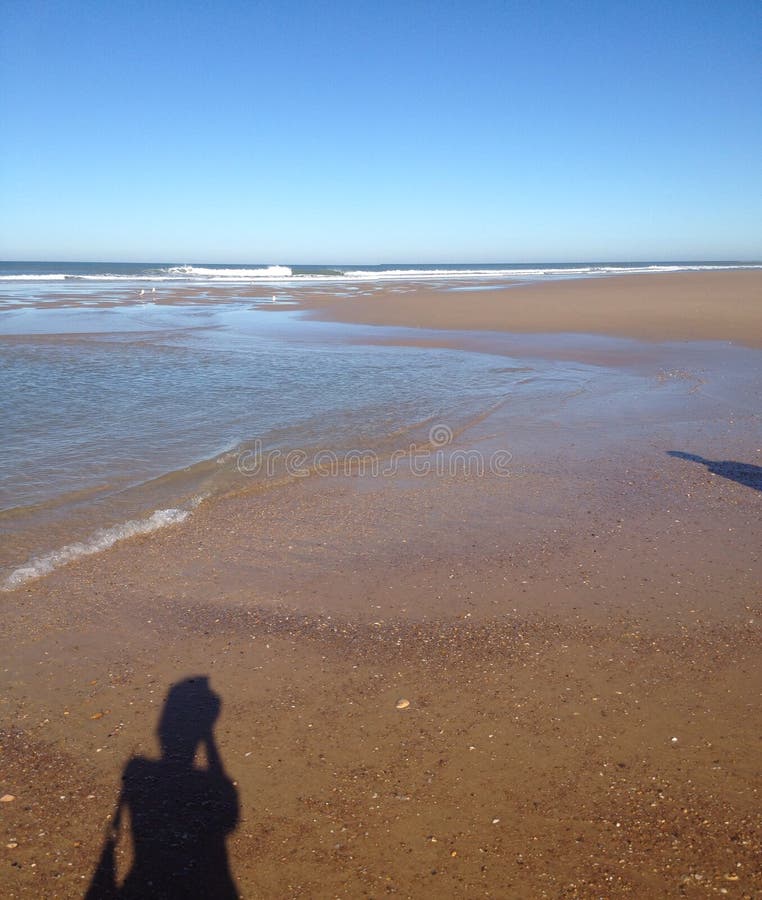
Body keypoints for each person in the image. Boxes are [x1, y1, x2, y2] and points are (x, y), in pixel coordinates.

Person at [86, 677, 239, 899]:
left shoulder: (138, 769)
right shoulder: (213, 782)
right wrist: (209, 739)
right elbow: (229, 821)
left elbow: (228, 822)